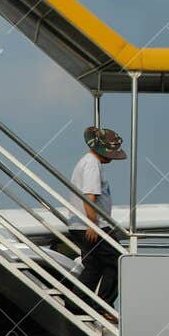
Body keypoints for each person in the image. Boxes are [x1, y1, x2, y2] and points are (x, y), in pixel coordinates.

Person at [71, 126, 126, 305]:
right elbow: (89, 196)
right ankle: (103, 303)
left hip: (81, 224)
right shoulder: (92, 165)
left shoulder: (88, 162)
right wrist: (93, 224)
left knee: (93, 267)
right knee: (120, 260)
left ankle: (76, 304)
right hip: (94, 225)